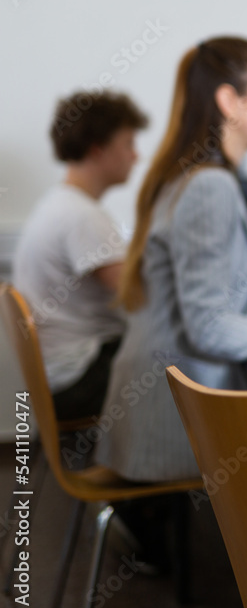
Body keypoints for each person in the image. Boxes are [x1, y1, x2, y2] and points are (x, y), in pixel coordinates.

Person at [95, 36, 247, 483]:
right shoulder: (209, 186)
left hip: (152, 404)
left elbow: (206, 306)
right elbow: (208, 327)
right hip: (169, 420)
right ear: (229, 101)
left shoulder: (189, 177)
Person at [13, 91, 147, 421]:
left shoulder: (59, 204)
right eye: (128, 144)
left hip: (59, 375)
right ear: (97, 148)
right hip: (79, 378)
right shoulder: (82, 217)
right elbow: (138, 296)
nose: (136, 156)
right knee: (184, 365)